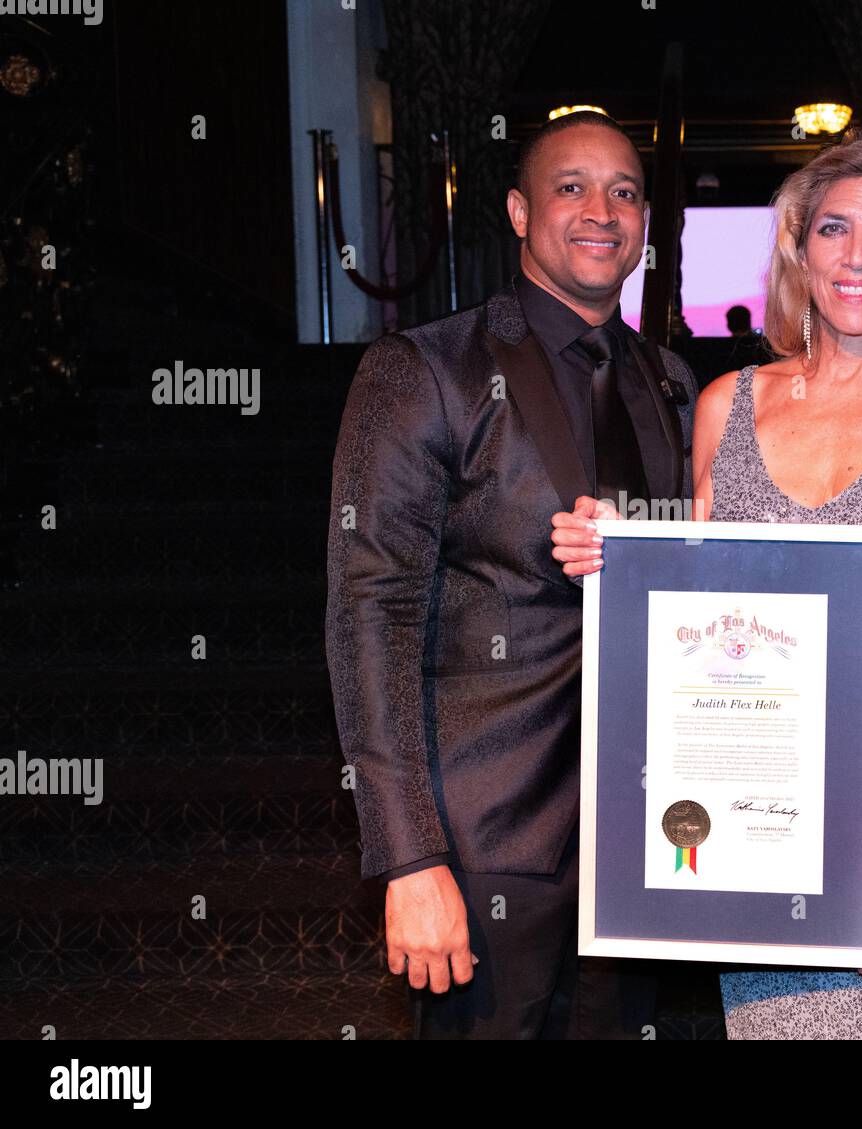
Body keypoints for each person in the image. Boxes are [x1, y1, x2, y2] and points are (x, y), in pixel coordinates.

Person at [551, 127, 862, 1039]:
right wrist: (612, 547)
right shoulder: (725, 407)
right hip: (769, 822)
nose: (858, 256)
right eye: (833, 229)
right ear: (798, 248)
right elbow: (694, 611)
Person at [325, 109, 697, 1039]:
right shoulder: (424, 370)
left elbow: (694, 576)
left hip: (640, 840)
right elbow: (371, 611)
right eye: (571, 186)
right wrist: (408, 857)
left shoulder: (672, 382)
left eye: (625, 191)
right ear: (519, 210)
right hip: (483, 834)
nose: (601, 210)